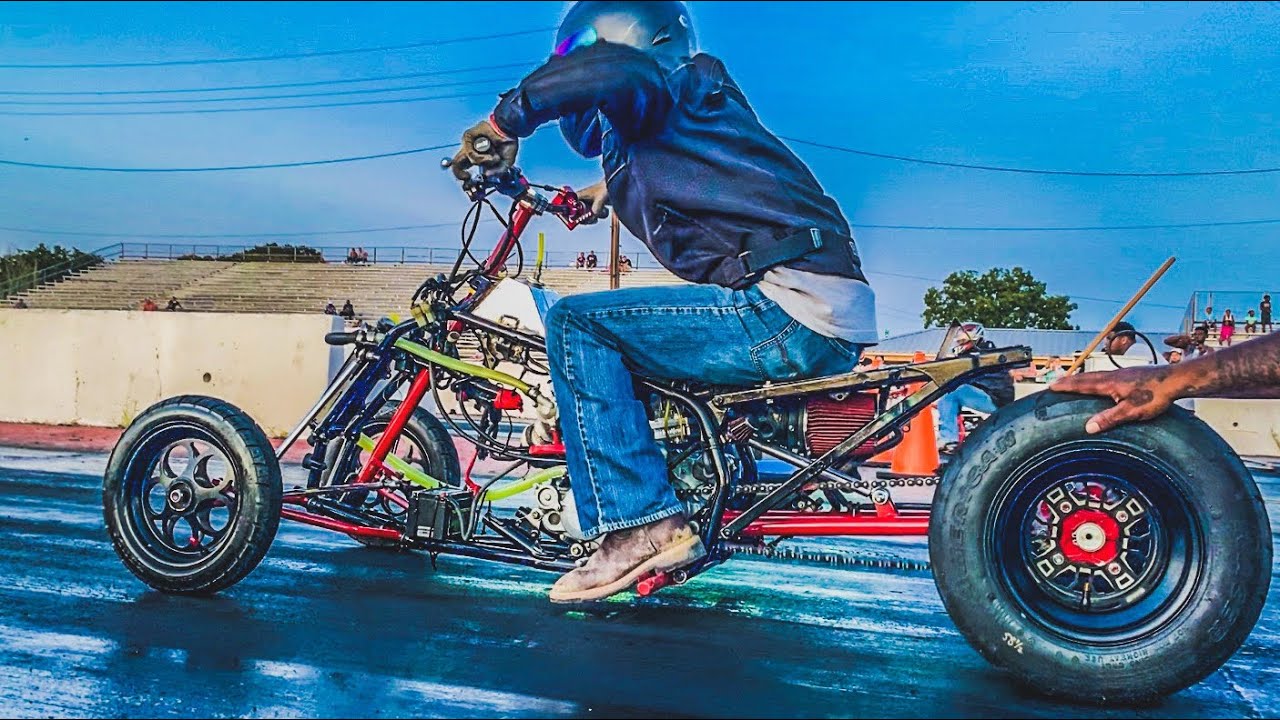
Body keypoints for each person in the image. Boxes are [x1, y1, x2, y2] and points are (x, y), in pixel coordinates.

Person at [448, 0, 876, 603]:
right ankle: (670, 483)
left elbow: (620, 76)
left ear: (624, 43)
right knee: (619, 338)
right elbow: (625, 186)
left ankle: (641, 526)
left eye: (586, 55)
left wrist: (502, 123)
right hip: (815, 298)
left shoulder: (664, 85)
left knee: (576, 323)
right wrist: (562, 193)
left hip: (789, 306)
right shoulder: (677, 121)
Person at [1053, 330, 1280, 434]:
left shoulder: (1141, 349)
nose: (1106, 344)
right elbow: (1169, 340)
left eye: (1109, 339)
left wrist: (1168, 381)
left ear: (1123, 338)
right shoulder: (1186, 348)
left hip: (1173, 408)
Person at [935, 323, 1015, 455]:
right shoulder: (983, 352)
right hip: (994, 396)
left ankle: (948, 439)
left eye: (964, 341)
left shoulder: (980, 354)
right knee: (950, 396)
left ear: (975, 339)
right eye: (960, 341)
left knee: (951, 395)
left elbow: (961, 377)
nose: (960, 344)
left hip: (994, 397)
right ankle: (953, 437)